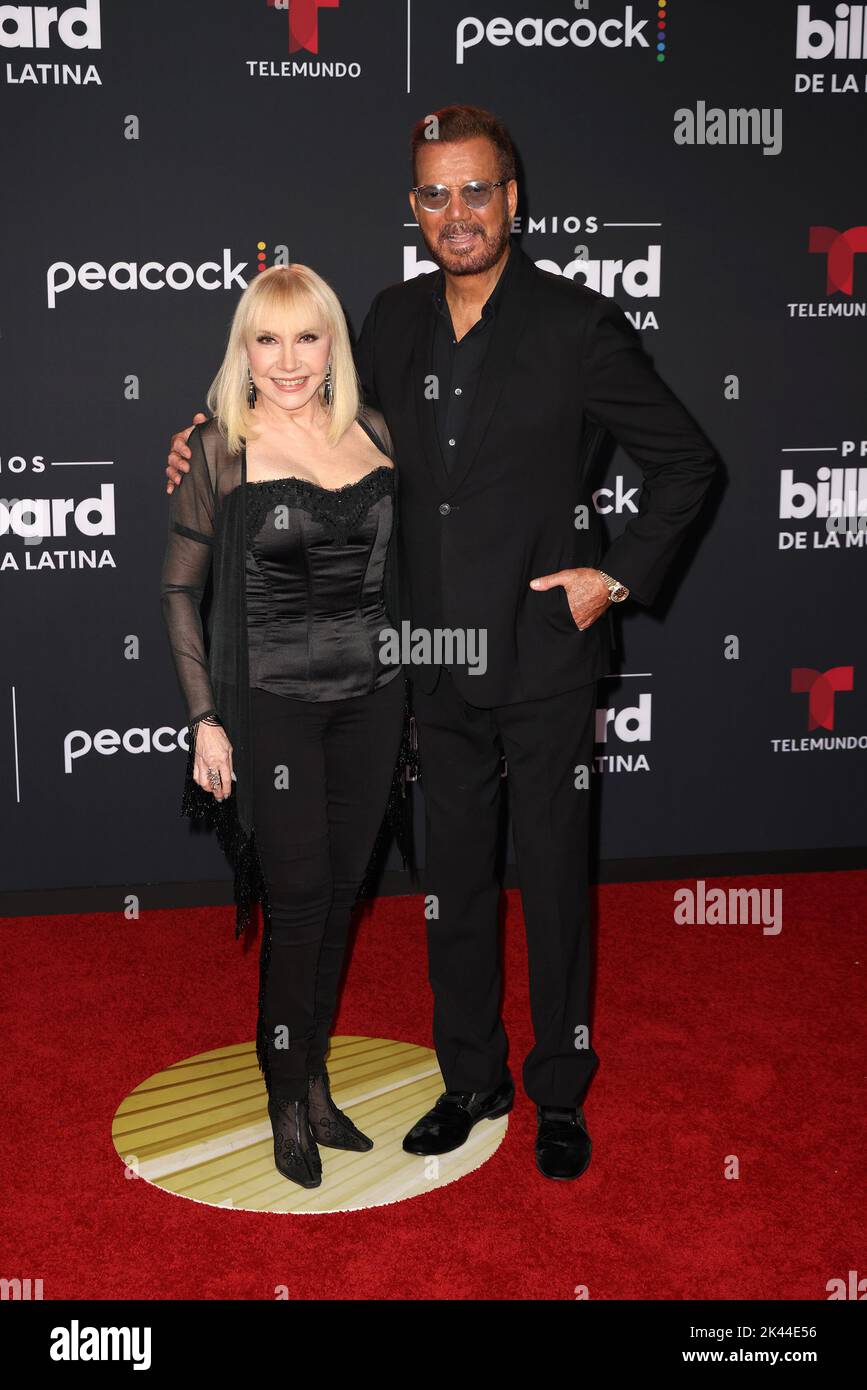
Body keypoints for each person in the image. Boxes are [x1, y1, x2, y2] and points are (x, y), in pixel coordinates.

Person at [166, 105, 718, 1182]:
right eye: (435, 195)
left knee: (554, 879)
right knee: (453, 882)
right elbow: (311, 416)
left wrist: (612, 578)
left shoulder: (579, 326)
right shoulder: (390, 318)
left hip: (548, 656)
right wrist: (201, 441)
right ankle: (470, 1076)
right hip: (427, 661)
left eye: (476, 191)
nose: (457, 214)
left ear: (513, 199)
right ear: (414, 208)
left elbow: (689, 463)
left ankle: (558, 1087)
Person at [160, 264, 409, 1190]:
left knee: (343, 897)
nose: (291, 358)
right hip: (272, 709)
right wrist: (204, 720)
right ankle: (283, 1089)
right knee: (299, 905)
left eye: (309, 337)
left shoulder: (376, 431)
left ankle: (315, 1077)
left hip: (376, 699)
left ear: (333, 344)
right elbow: (180, 592)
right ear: (244, 351)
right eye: (269, 338)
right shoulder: (220, 447)